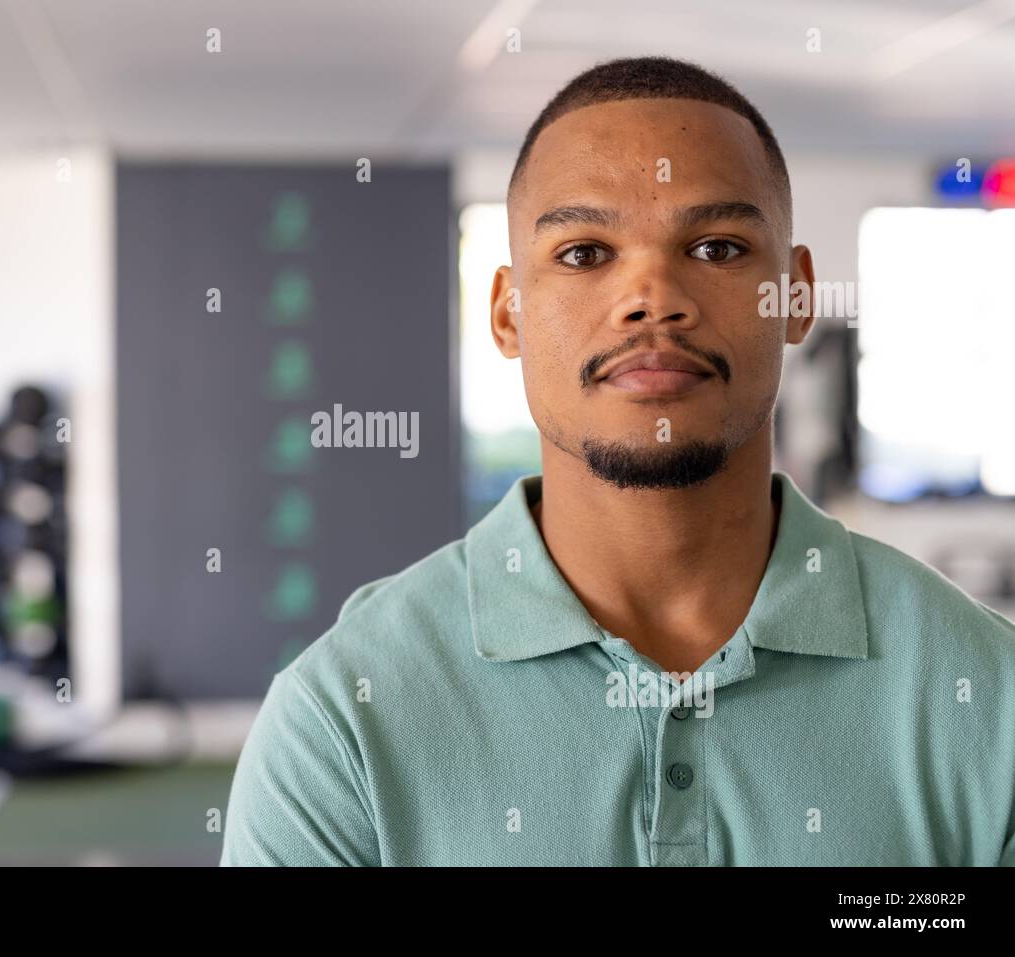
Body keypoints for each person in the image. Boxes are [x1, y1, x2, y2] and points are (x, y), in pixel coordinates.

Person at [221, 56, 1015, 866]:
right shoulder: (342, 720)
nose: (653, 296)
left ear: (796, 296)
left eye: (715, 246)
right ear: (507, 314)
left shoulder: (989, 698)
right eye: (582, 253)